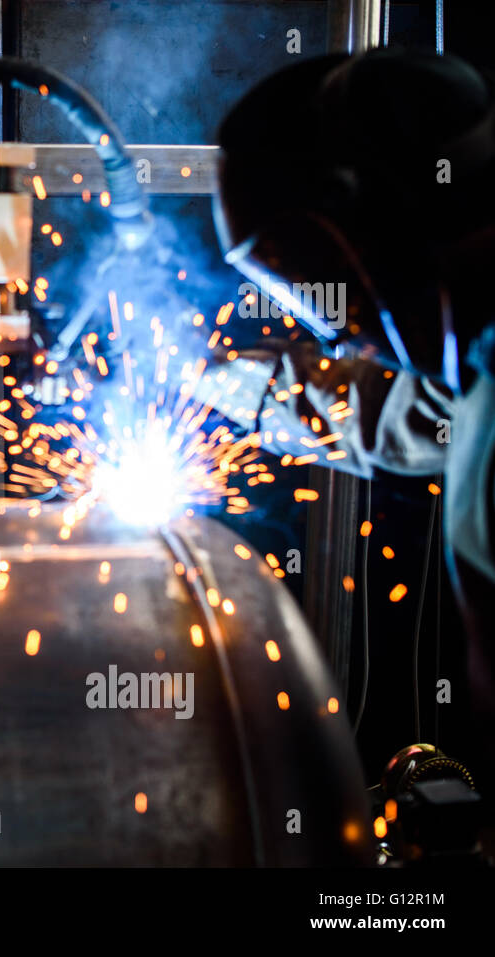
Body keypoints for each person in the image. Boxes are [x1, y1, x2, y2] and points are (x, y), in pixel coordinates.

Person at [209, 47, 495, 753]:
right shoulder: (475, 370)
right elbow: (393, 408)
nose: (345, 336)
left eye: (311, 279)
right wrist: (203, 378)